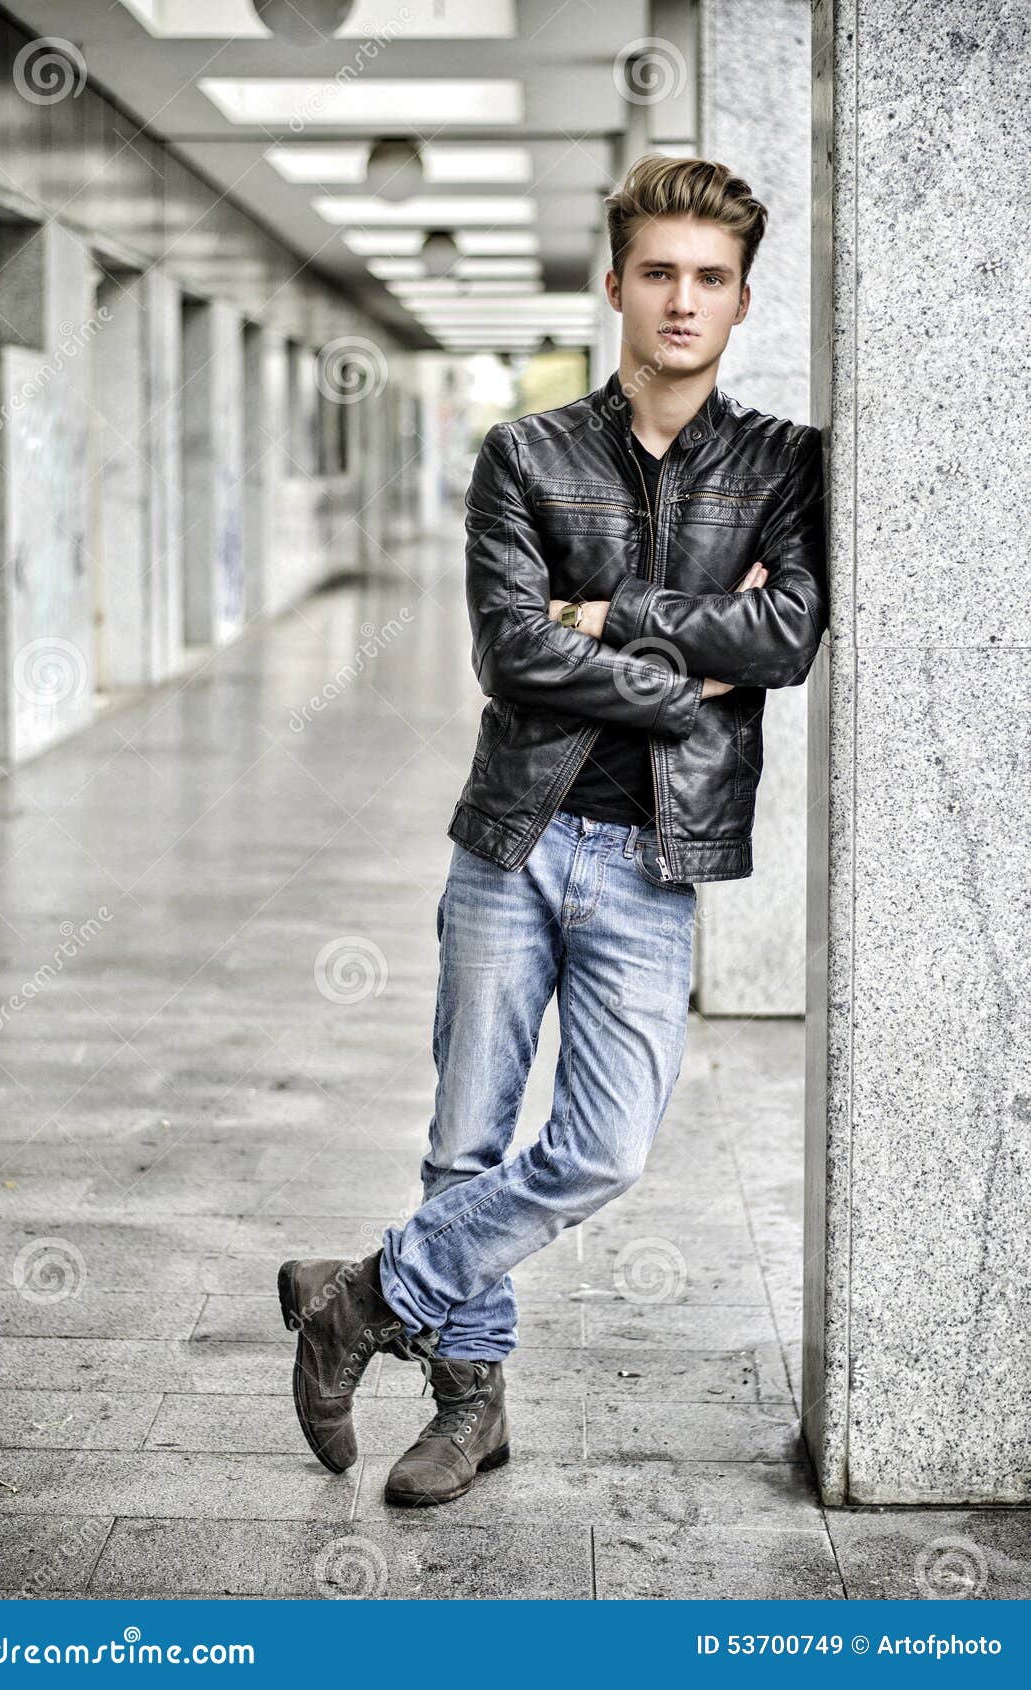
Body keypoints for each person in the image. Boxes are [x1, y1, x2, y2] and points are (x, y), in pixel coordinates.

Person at [277, 153, 829, 1508]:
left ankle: (363, 1297)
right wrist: (682, 661)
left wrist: (612, 617)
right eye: (659, 274)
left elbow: (788, 634)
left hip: (657, 857)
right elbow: (511, 652)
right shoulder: (524, 452)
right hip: (510, 842)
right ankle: (474, 1405)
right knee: (465, 1136)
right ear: (616, 286)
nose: (682, 301)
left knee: (601, 1145)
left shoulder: (780, 467)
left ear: (742, 299)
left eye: (709, 278)